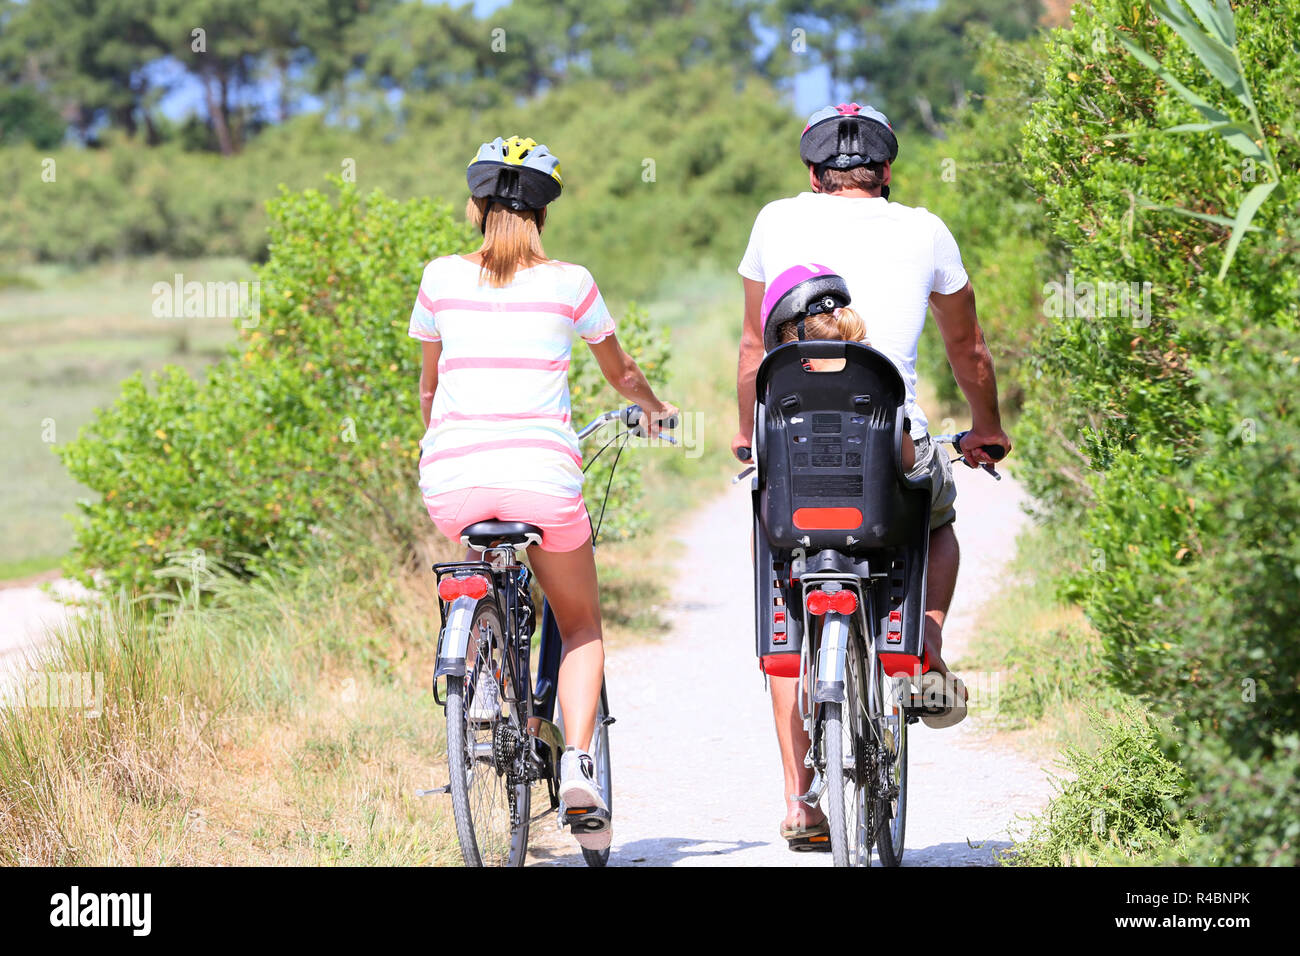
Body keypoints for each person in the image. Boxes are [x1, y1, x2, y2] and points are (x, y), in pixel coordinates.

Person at [733, 105, 1011, 847]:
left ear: (811, 175)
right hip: (890, 445)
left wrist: (743, 435)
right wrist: (985, 429)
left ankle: (799, 801)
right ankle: (920, 637)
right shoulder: (924, 230)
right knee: (938, 519)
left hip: (791, 449)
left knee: (786, 598)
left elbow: (752, 348)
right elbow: (969, 348)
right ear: (886, 172)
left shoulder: (773, 220)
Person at [409, 135, 677, 851]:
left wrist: (441, 444)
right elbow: (621, 376)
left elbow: (430, 389)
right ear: (543, 216)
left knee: (484, 566)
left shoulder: (438, 278)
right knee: (581, 622)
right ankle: (580, 765)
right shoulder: (571, 283)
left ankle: (486, 673)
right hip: (544, 482)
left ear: (475, 208)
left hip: (453, 480)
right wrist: (654, 409)